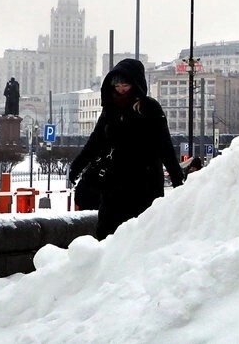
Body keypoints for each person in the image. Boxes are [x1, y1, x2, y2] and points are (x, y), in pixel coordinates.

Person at [69, 59, 183, 240]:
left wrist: (178, 182)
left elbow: (165, 147)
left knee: (140, 237)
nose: (121, 89)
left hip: (144, 184)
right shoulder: (110, 110)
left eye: (126, 85)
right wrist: (76, 166)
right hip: (114, 184)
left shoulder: (150, 108)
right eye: (117, 85)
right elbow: (95, 142)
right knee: (107, 234)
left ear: (136, 84)